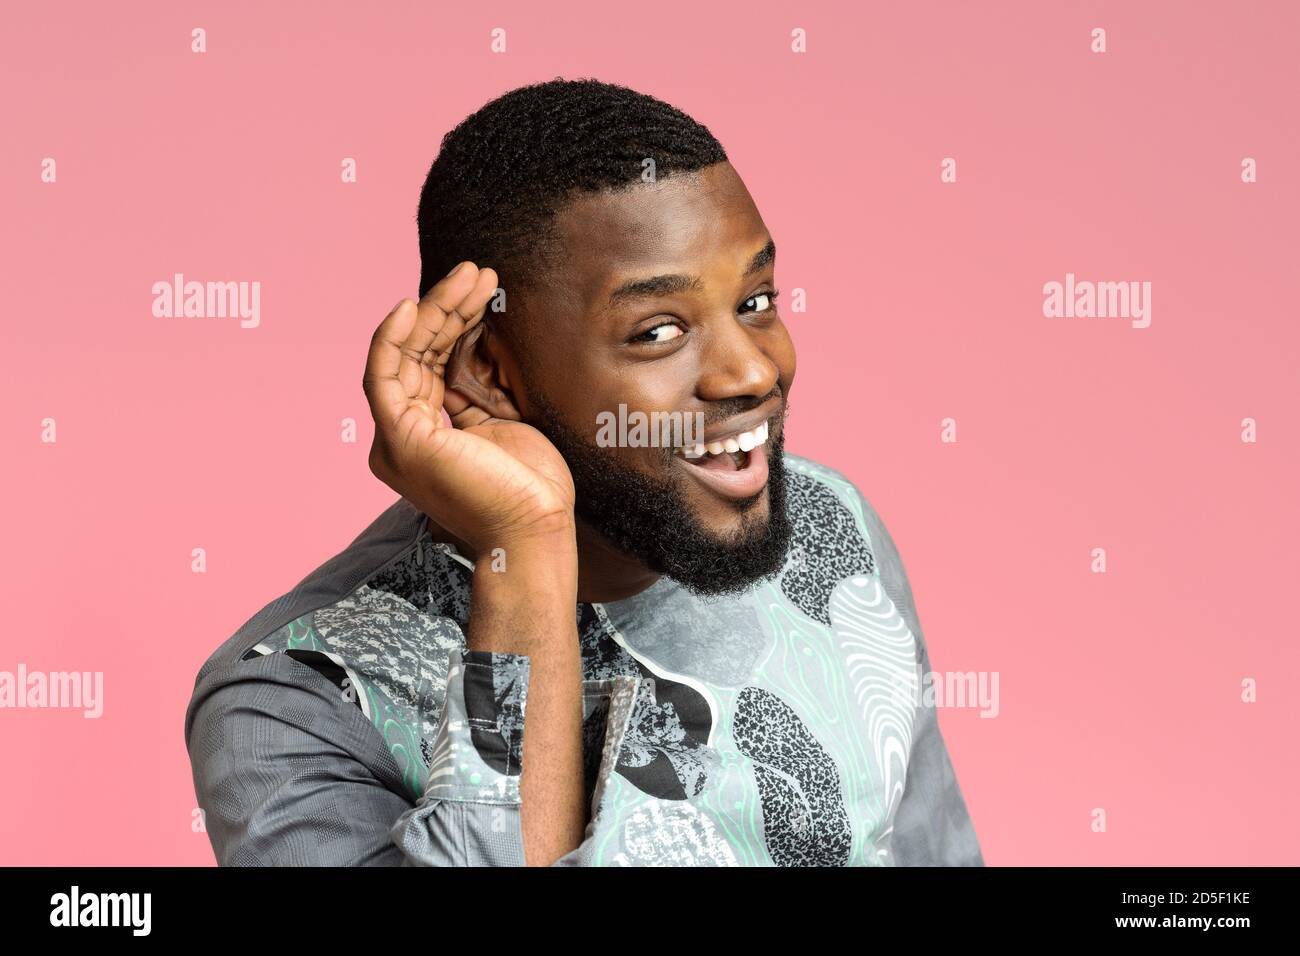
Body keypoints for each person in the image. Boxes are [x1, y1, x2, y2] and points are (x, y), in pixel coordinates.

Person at [183, 77, 984, 867]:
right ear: (489, 372)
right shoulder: (295, 702)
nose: (751, 371)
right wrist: (523, 548)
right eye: (658, 331)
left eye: (754, 301)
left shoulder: (829, 522)